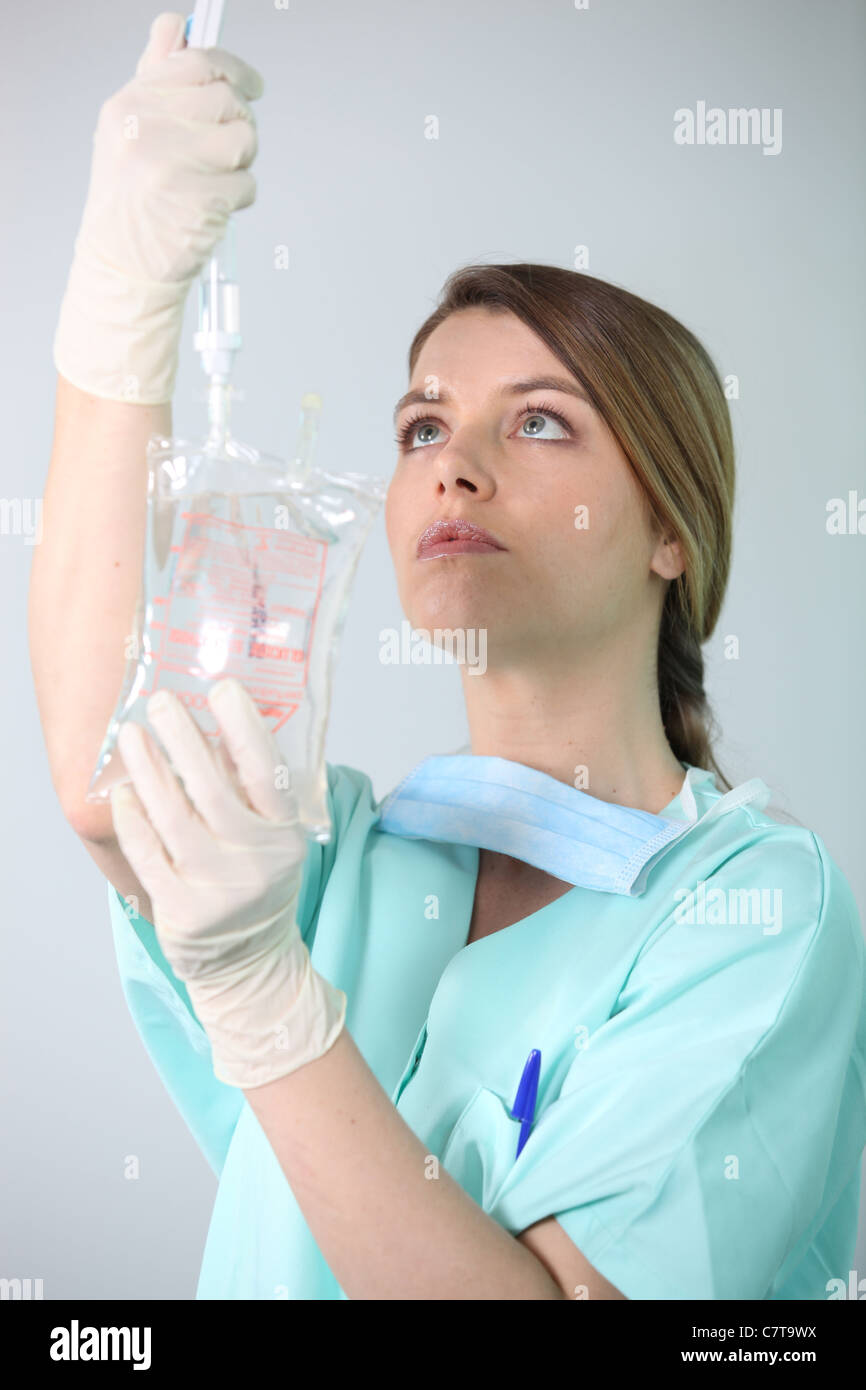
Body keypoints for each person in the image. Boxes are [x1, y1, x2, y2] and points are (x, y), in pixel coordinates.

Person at [30, 12, 866, 1301]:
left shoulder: (753, 911)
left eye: (540, 421)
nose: (452, 465)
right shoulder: (332, 859)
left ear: (671, 532)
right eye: (423, 425)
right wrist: (119, 299)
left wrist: (269, 999)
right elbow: (111, 785)